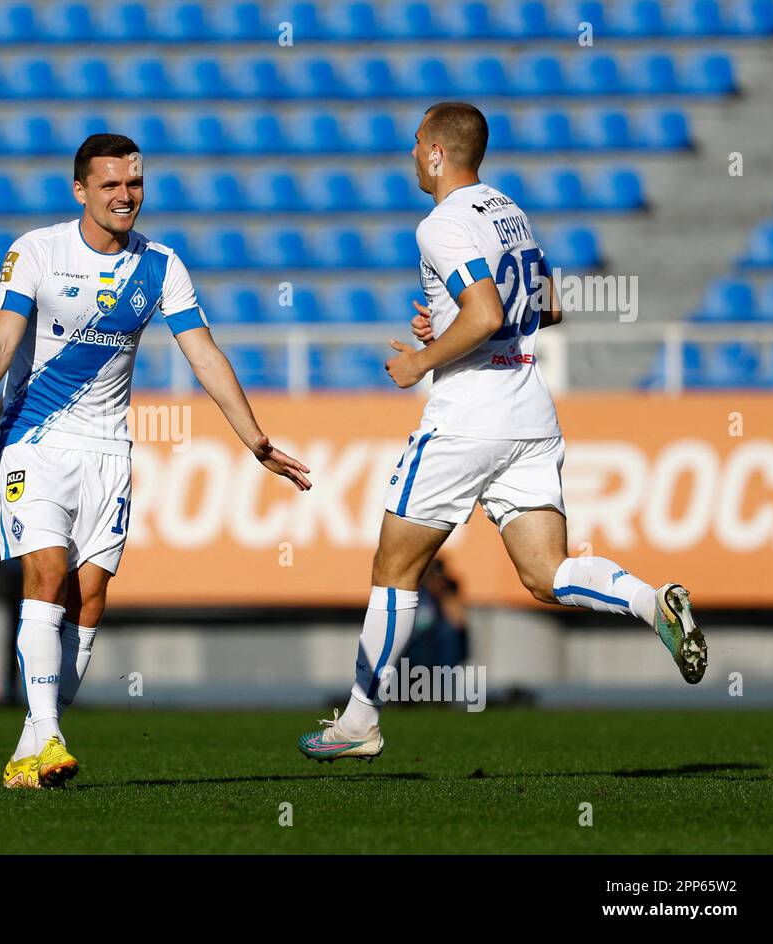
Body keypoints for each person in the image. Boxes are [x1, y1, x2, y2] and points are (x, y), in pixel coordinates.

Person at [298, 102, 706, 764]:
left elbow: (485, 312)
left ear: (435, 153)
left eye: (415, 144)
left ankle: (359, 720)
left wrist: (421, 359)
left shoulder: (441, 226)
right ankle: (648, 600)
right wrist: (449, 326)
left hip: (468, 417)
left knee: (395, 567)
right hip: (529, 409)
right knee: (546, 574)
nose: (410, 155)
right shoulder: (509, 210)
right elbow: (547, 308)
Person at [0, 134, 312, 789]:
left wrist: (255, 440)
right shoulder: (36, 251)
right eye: (110, 186)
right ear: (80, 192)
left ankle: (28, 752)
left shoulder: (161, 265)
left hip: (108, 450)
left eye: (134, 183)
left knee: (89, 598)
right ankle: (51, 739)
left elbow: (204, 354)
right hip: (34, 441)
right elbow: (2, 338)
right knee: (46, 574)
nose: (125, 196)